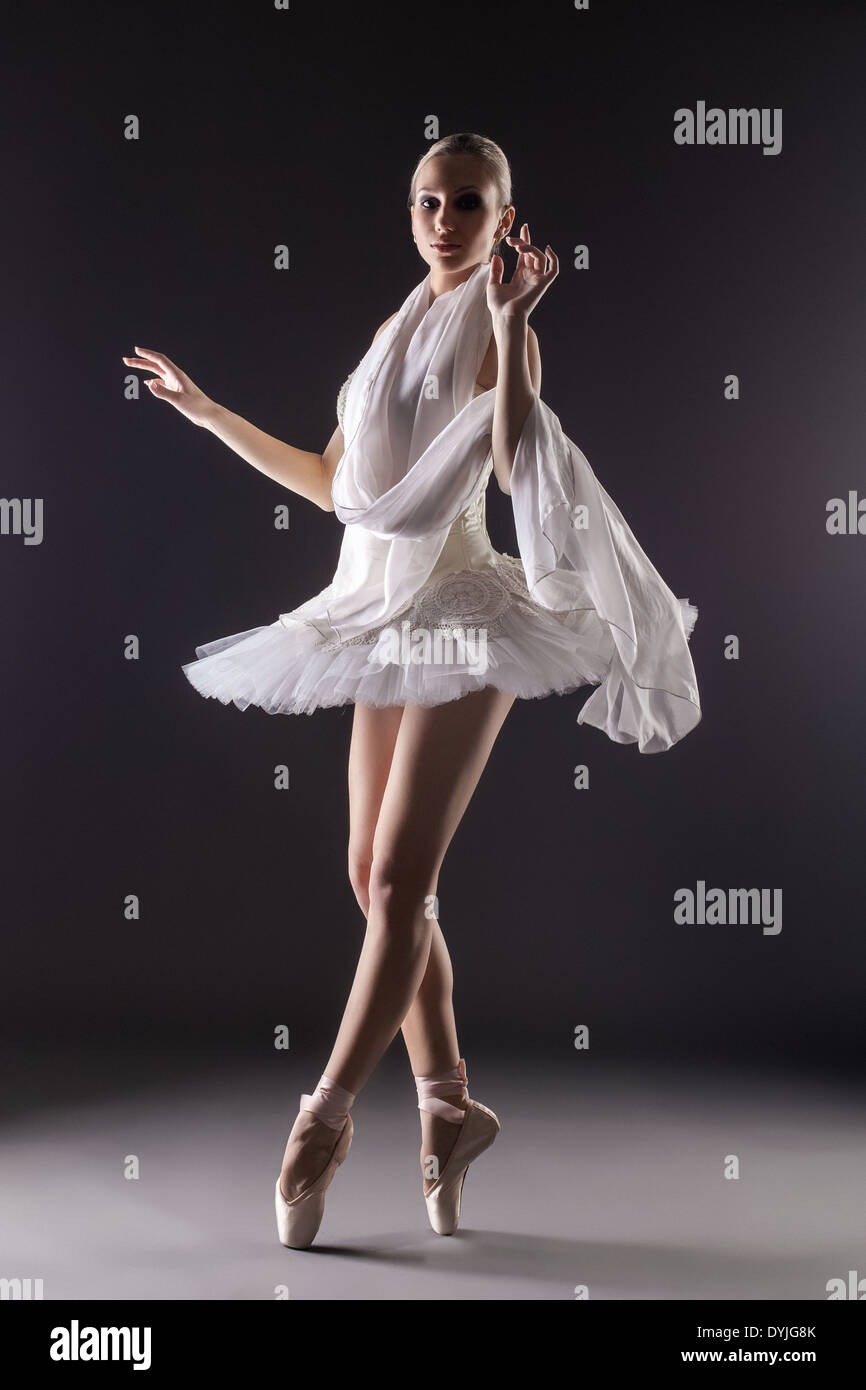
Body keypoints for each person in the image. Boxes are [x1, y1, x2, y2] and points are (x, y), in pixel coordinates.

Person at [122, 132, 700, 1249]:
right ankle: (448, 1107)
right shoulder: (393, 326)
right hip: (373, 612)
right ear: (411, 208)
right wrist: (207, 413)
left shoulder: (493, 318)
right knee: (369, 877)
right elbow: (338, 485)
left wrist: (518, 323)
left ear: (501, 215)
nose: (444, 219)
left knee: (396, 878)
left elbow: (512, 446)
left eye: (467, 203)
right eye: (429, 200)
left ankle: (323, 1116)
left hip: (463, 614)